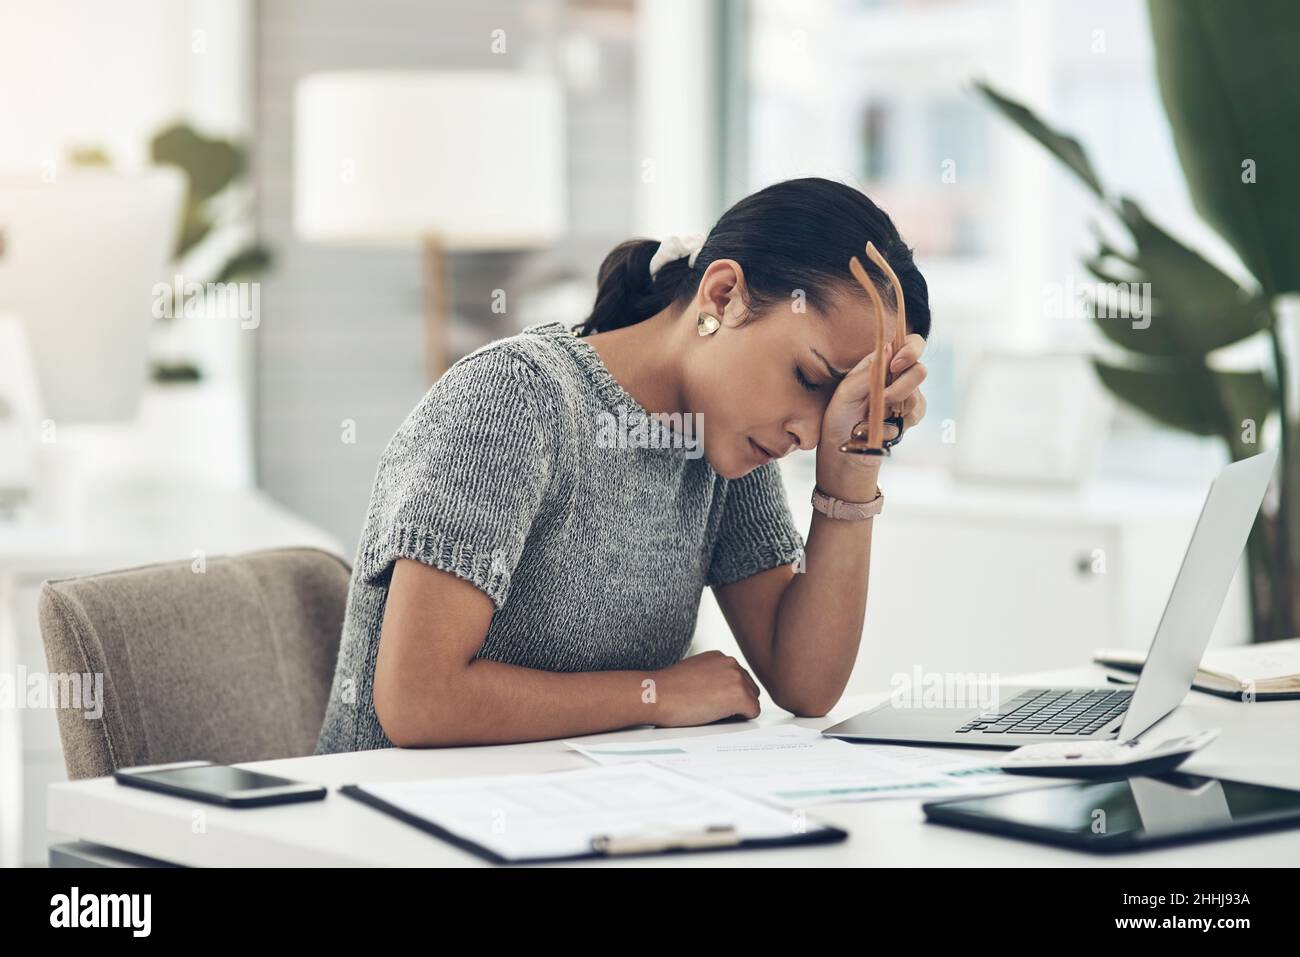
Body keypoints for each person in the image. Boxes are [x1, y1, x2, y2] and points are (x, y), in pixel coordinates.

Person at [315, 176, 931, 753]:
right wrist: (656, 694)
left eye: (832, 409)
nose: (806, 432)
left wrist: (852, 469)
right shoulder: (515, 397)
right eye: (807, 377)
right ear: (724, 295)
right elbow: (419, 700)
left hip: (575, 814)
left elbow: (806, 686)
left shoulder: (722, 441)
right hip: (397, 820)